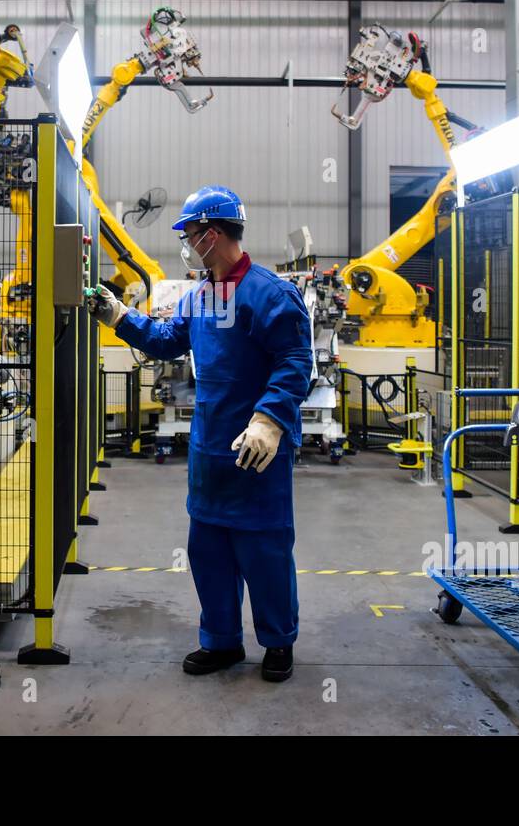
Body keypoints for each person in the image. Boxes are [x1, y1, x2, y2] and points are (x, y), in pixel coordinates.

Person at [89, 185, 313, 682]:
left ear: (211, 234)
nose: (187, 242)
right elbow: (169, 341)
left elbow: (297, 360)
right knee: (208, 553)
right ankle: (221, 642)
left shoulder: (270, 293)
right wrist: (119, 317)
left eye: (190, 233)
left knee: (264, 552)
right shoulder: (201, 295)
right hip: (210, 453)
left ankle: (278, 643)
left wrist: (270, 420)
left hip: (257, 451)